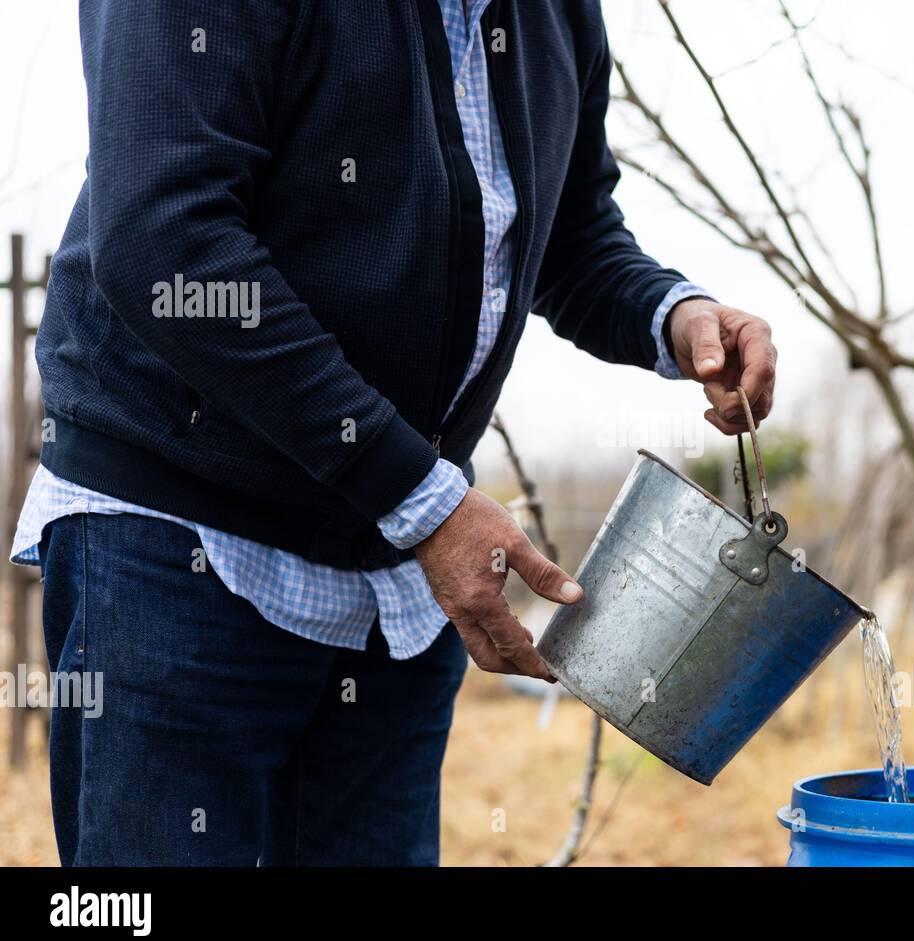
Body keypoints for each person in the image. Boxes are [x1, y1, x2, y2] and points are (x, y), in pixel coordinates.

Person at [10, 0, 777, 865]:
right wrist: (420, 497)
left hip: (394, 576)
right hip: (178, 547)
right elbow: (164, 244)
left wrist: (673, 315)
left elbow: (571, 234)